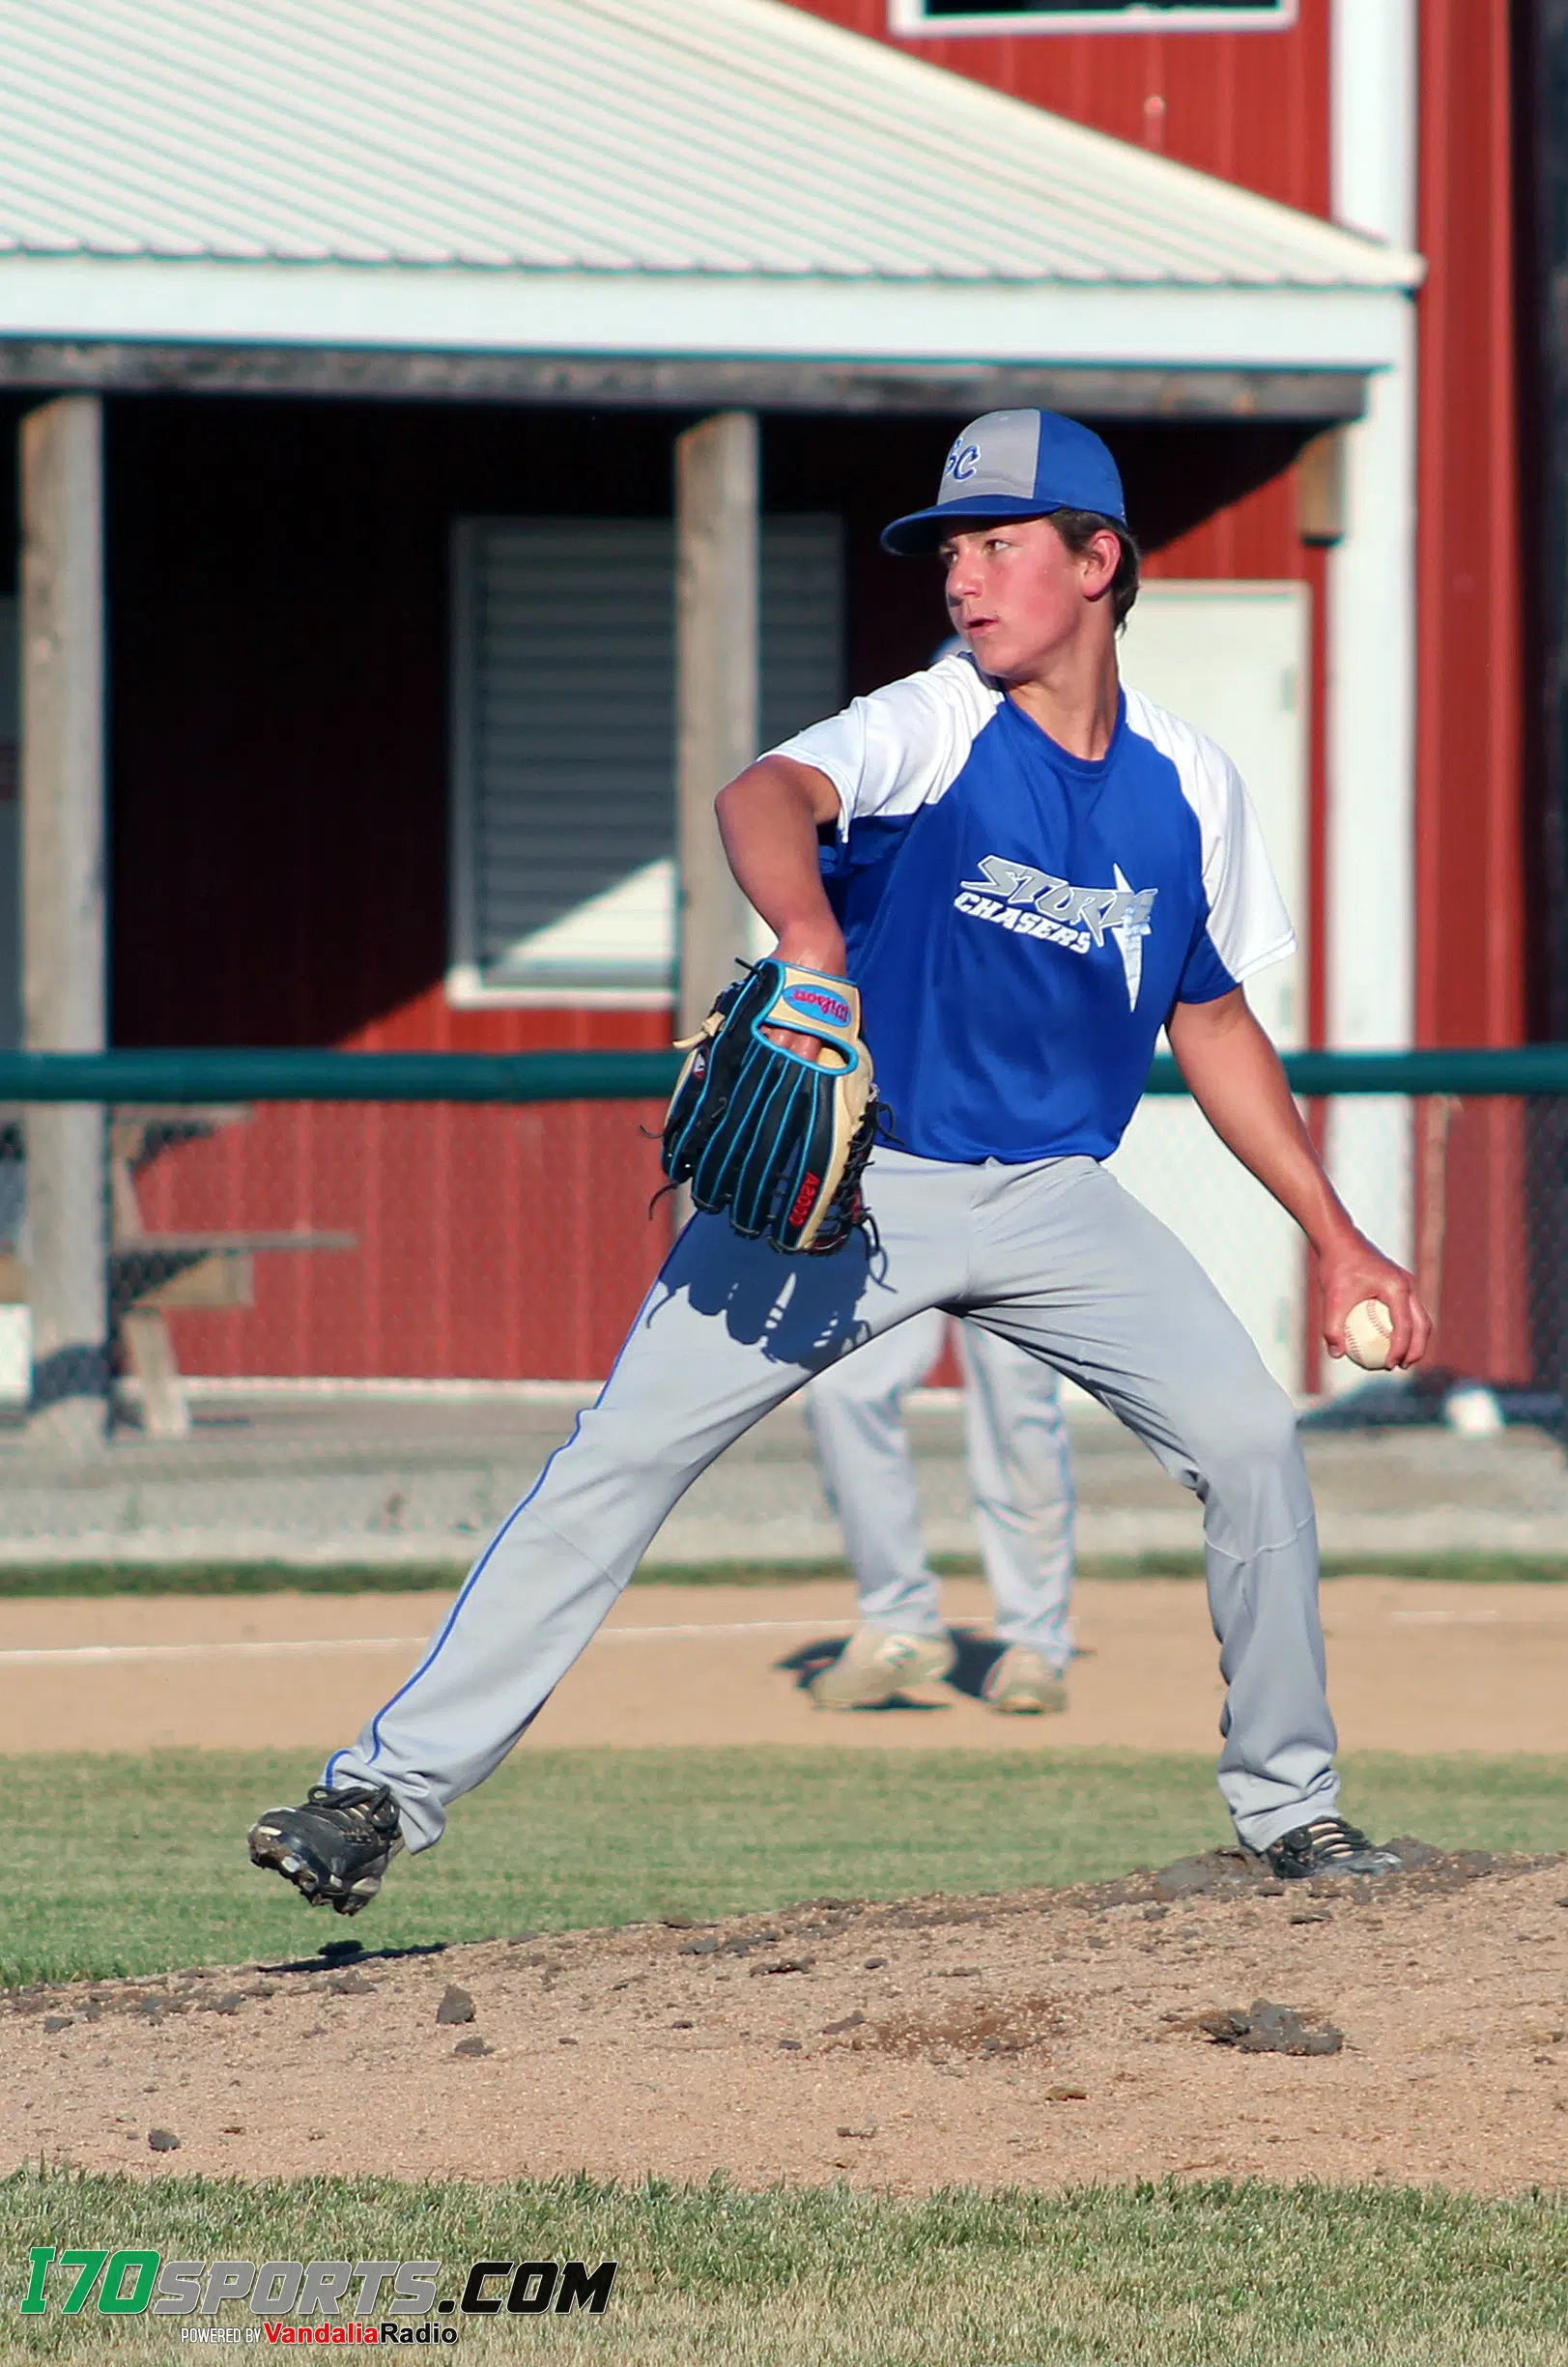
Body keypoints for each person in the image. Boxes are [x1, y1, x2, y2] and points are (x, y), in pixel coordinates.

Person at [249, 407, 1432, 1917]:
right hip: (854, 1189)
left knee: (1253, 1444)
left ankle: (1294, 1807)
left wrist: (1331, 1232)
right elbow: (764, 795)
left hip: (1058, 1200)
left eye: (1000, 543)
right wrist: (808, 935)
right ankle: (376, 1793)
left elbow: (1206, 1017)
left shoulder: (1188, 785)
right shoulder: (931, 721)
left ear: (1097, 561)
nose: (964, 577)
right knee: (617, 1460)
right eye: (950, 548)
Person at [803, 1311, 1077, 1714]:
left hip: (1013, 1249)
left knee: (1017, 1408)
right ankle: (899, 1622)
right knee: (843, 1386)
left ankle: (1033, 1645)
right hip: (898, 1248)